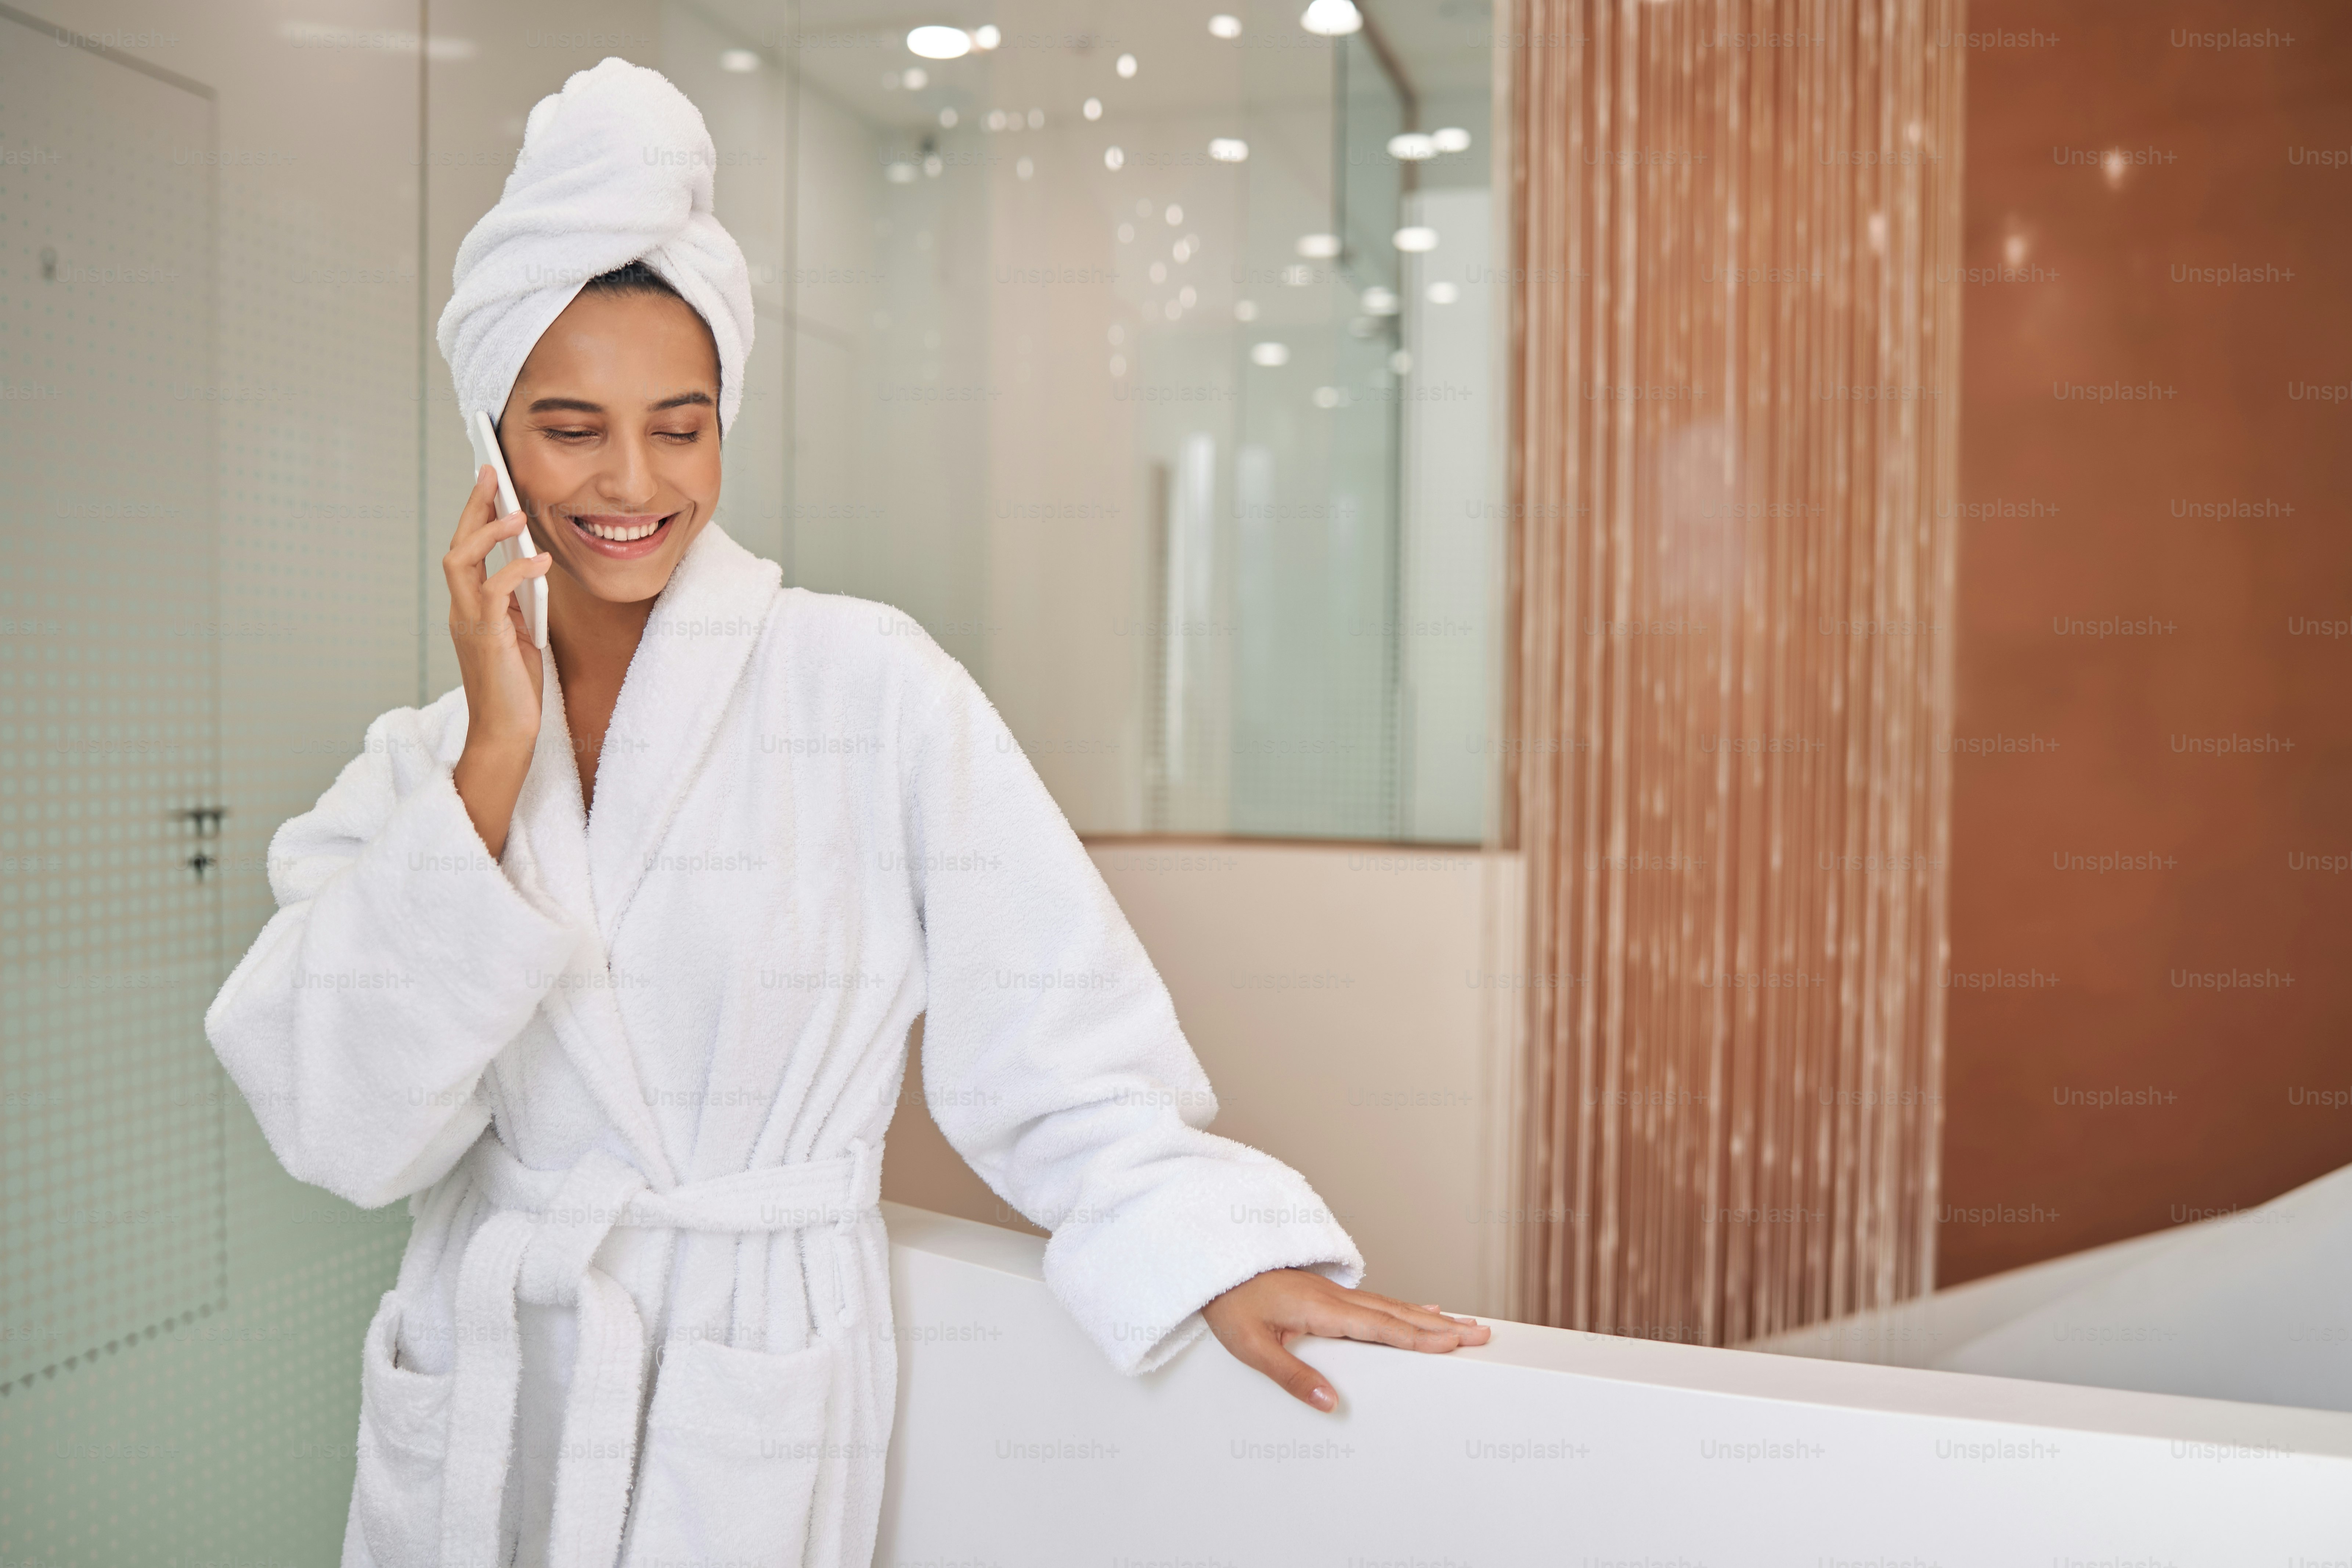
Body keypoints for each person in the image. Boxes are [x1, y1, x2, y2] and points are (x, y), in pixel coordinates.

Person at [205, 58, 1486, 1568]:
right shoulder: (422, 771)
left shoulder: (865, 686)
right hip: (496, 1378)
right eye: (569, 428)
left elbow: (1053, 1032)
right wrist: (494, 756)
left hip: (746, 1382)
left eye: (679, 425)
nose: (632, 480)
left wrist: (1207, 1252)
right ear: (493, 448)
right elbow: (337, 1125)